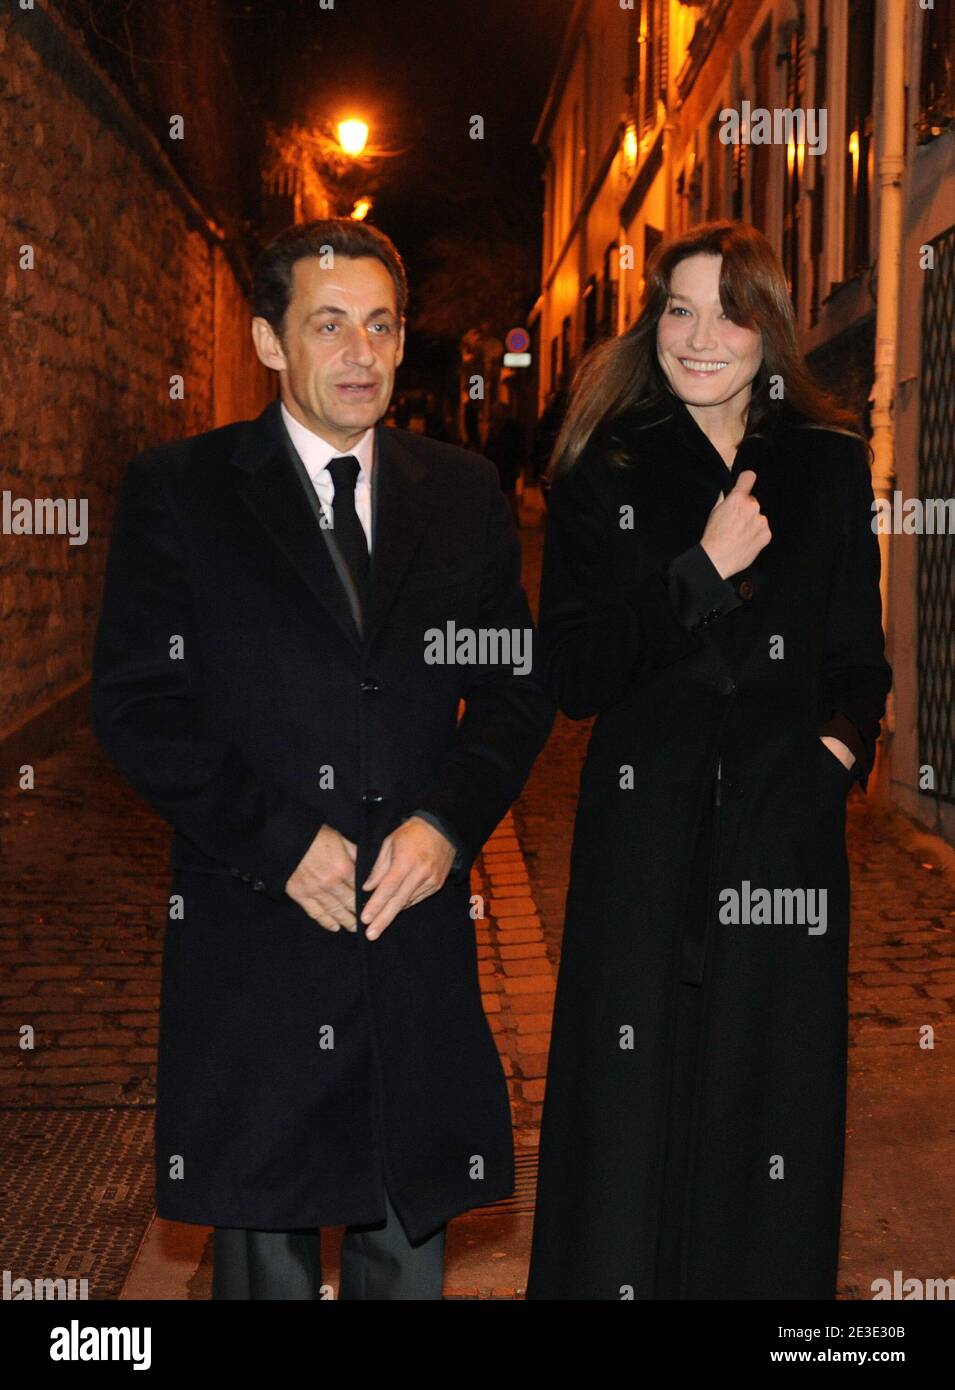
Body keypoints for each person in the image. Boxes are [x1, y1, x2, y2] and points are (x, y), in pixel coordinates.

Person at [90, 217, 554, 1300]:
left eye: (381, 327)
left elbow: (514, 687)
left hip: (411, 938)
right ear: (266, 340)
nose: (360, 354)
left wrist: (447, 823)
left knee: (408, 1237)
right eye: (329, 325)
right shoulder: (182, 492)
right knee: (265, 1261)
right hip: (258, 941)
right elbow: (139, 704)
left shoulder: (462, 494)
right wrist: (280, 841)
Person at [525, 219, 891, 1301]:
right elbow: (575, 671)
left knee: (763, 1108)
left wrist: (829, 763)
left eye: (728, 310)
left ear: (768, 329)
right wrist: (698, 570)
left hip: (781, 846)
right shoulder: (606, 461)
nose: (698, 335)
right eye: (677, 308)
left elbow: (857, 664)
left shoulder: (825, 464)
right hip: (643, 844)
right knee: (629, 1119)